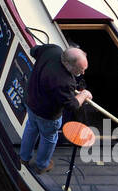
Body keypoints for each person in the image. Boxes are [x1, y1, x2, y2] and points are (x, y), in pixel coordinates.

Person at [19, 44, 93, 175]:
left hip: (31, 101)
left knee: (31, 127)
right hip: (47, 115)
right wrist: (84, 94)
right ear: (68, 64)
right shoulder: (65, 81)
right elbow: (73, 105)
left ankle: (24, 158)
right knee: (49, 138)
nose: (83, 73)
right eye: (80, 69)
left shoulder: (52, 49)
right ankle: (42, 165)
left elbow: (33, 51)